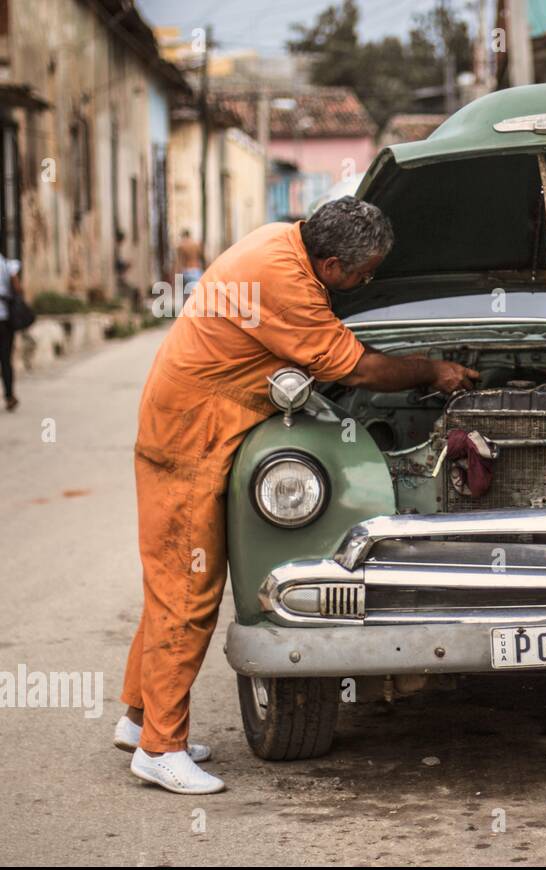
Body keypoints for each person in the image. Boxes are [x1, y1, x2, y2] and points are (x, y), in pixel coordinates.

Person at [116, 197, 479, 793]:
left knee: (169, 584)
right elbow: (356, 370)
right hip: (192, 437)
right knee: (187, 589)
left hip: (189, 424)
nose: (366, 283)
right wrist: (430, 371)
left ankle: (139, 720)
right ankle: (160, 747)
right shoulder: (285, 280)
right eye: (363, 275)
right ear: (332, 263)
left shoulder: (281, 242)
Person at [0, 256, 23, 412]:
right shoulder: (7, 265)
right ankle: (9, 396)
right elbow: (17, 289)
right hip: (4, 320)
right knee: (5, 360)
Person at [175, 229, 203, 297]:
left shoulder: (181, 246)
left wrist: (177, 274)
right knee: (196, 294)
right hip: (196, 270)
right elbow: (201, 258)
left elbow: (179, 262)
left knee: (186, 295)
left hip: (186, 271)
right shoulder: (196, 245)